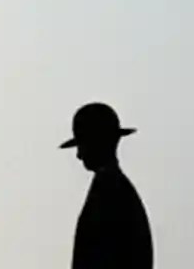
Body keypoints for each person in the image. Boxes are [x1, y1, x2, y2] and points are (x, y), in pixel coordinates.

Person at [59, 102, 153, 269]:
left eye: (83, 144)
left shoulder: (110, 192)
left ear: (97, 143)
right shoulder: (116, 189)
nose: (79, 155)